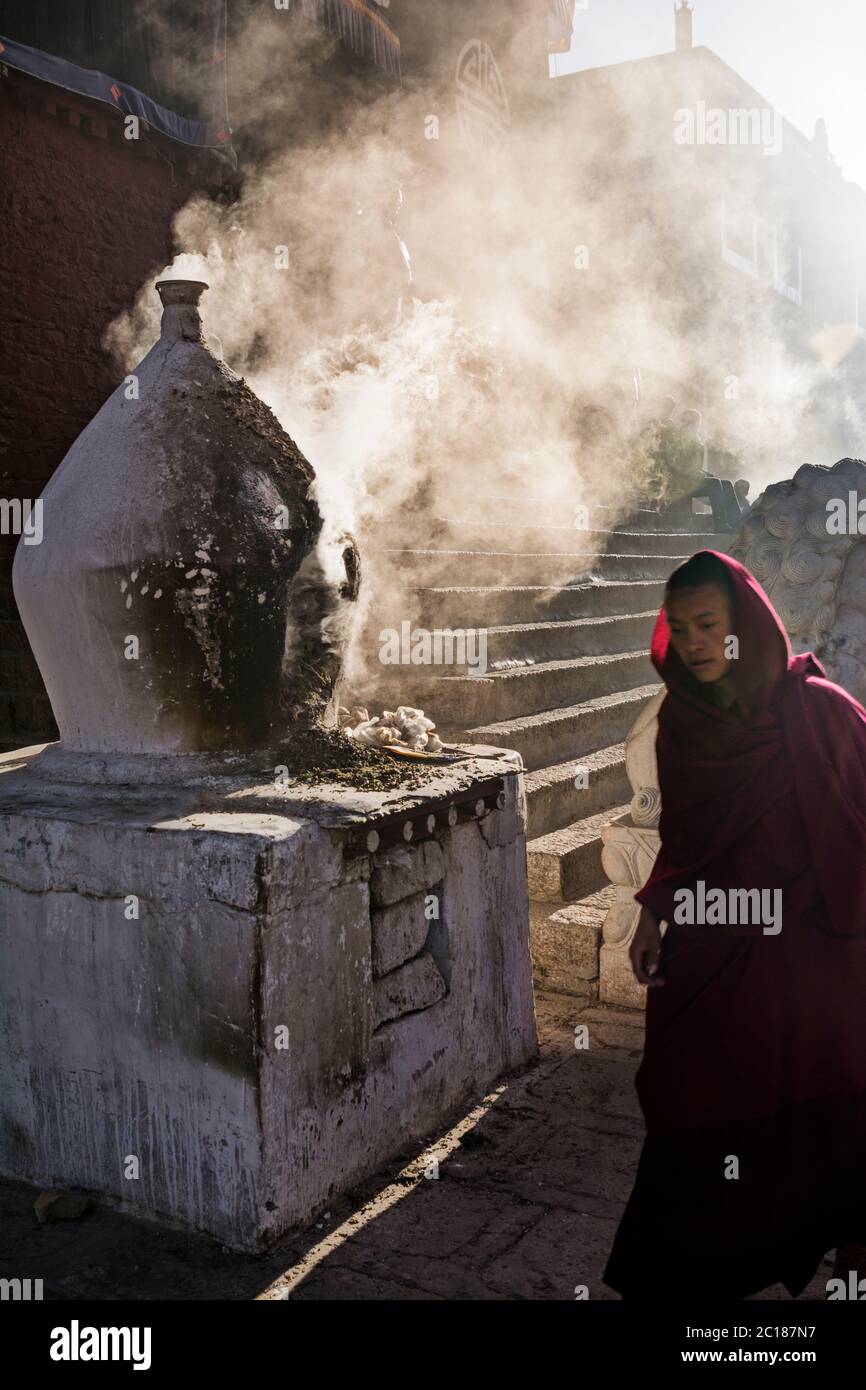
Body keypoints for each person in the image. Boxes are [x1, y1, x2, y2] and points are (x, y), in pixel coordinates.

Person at [603, 549, 866, 1300]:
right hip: (714, 954)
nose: (693, 642)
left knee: (829, 1123)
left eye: (709, 624)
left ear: (745, 623)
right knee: (695, 1113)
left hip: (816, 962)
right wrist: (654, 906)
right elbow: (684, 836)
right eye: (679, 627)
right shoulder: (681, 725)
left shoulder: (817, 710)